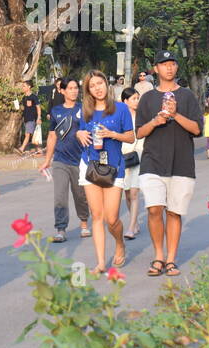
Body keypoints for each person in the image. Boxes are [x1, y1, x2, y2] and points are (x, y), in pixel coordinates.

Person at [135, 50, 203, 278]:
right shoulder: (147, 98)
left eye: (172, 64)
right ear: (156, 69)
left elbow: (197, 129)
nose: (169, 68)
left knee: (174, 213)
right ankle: (158, 256)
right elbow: (139, 132)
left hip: (181, 163)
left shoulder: (187, 96)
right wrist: (156, 120)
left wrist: (174, 115)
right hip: (152, 162)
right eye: (164, 64)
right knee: (154, 209)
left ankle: (171, 259)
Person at [76, 70, 135, 272]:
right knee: (97, 216)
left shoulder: (120, 109)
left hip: (114, 166)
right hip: (90, 164)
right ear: (88, 90)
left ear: (106, 85)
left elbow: (131, 137)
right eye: (92, 86)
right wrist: (79, 133)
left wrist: (112, 134)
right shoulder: (86, 111)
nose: (97, 88)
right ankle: (100, 262)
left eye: (100, 83)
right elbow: (80, 130)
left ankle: (119, 243)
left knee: (112, 218)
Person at [40, 77, 90, 242]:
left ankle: (84, 223)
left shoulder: (83, 109)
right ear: (62, 91)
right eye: (70, 88)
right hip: (60, 159)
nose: (74, 91)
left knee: (80, 195)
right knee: (60, 196)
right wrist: (48, 159)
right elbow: (52, 136)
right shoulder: (56, 111)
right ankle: (61, 229)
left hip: (80, 159)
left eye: (76, 88)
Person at [118, 86, 144, 240]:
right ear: (125, 101)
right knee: (127, 194)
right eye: (133, 98)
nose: (136, 101)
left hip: (138, 156)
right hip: (122, 157)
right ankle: (134, 222)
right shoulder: (120, 116)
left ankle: (131, 226)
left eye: (137, 98)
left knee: (134, 193)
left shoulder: (142, 116)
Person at [16, 80, 41, 156]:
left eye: (24, 86)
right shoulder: (24, 97)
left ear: (29, 87)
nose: (22, 88)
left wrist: (39, 118)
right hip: (26, 118)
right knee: (33, 135)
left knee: (27, 134)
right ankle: (39, 150)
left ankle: (21, 149)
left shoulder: (34, 97)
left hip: (31, 118)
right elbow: (23, 108)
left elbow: (38, 107)